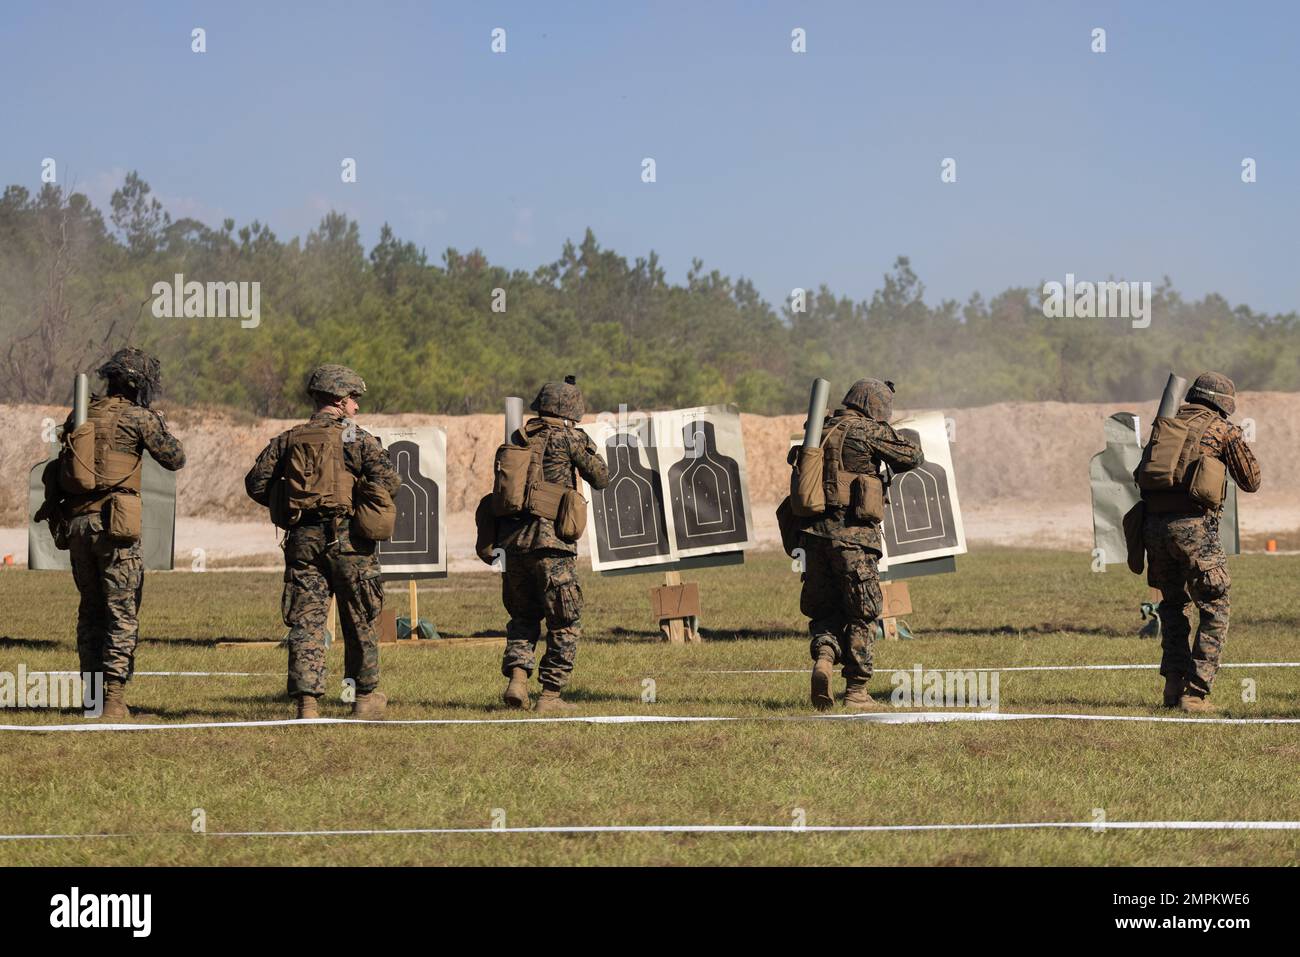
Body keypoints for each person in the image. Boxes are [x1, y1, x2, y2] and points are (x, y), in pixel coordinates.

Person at [244, 364, 401, 720]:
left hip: (303, 540)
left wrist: (289, 504)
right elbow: (390, 482)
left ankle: (307, 704)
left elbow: (256, 484)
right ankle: (363, 698)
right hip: (350, 542)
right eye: (353, 400)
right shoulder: (357, 438)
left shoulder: (289, 438)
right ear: (339, 399)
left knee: (307, 621)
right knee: (360, 618)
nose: (357, 407)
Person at [59, 348, 186, 719]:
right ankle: (114, 700)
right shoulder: (139, 418)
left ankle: (92, 698)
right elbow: (174, 458)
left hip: (80, 523)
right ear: (138, 383)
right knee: (121, 611)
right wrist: (159, 423)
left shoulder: (80, 415)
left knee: (91, 610)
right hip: (116, 526)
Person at [1140, 372, 1261, 713]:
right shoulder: (1222, 429)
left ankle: (1172, 687)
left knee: (1174, 608)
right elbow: (1251, 480)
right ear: (1223, 402)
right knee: (1215, 607)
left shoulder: (1166, 424)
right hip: (1194, 531)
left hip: (1154, 530)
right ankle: (1194, 694)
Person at [800, 378, 923, 712]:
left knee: (825, 610)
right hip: (854, 540)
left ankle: (824, 658)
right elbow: (912, 457)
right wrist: (894, 431)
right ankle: (856, 692)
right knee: (864, 612)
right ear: (874, 404)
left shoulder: (821, 428)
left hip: (813, 539)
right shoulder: (867, 431)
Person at [497, 379, 609, 713]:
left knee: (523, 616)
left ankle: (517, 680)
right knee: (565, 621)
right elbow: (601, 478)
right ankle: (550, 696)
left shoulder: (520, 438)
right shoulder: (569, 438)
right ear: (571, 409)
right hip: (553, 546)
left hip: (515, 543)